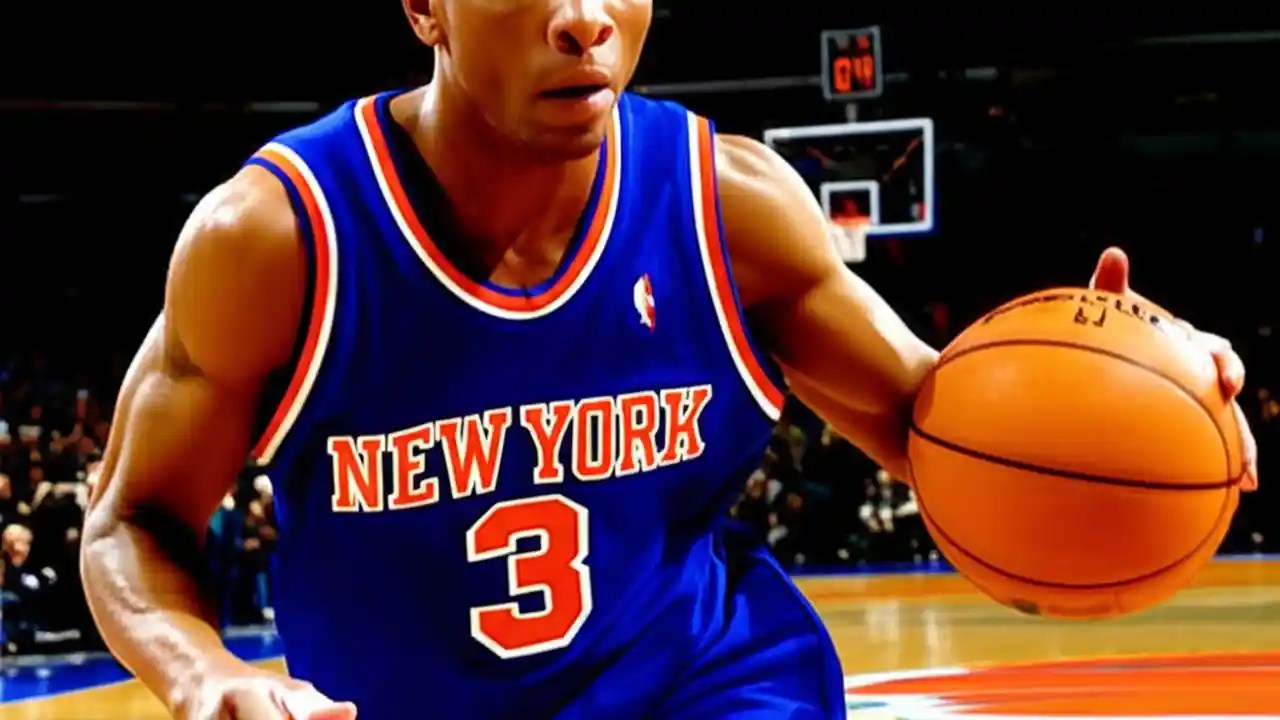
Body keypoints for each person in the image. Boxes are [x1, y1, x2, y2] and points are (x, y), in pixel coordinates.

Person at [79, 2, 1259, 719]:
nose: (582, 17)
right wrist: (199, 674)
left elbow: (928, 417)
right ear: (422, 6)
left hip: (709, 687)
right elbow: (132, 520)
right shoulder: (281, 237)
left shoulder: (726, 206)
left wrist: (1123, 393)